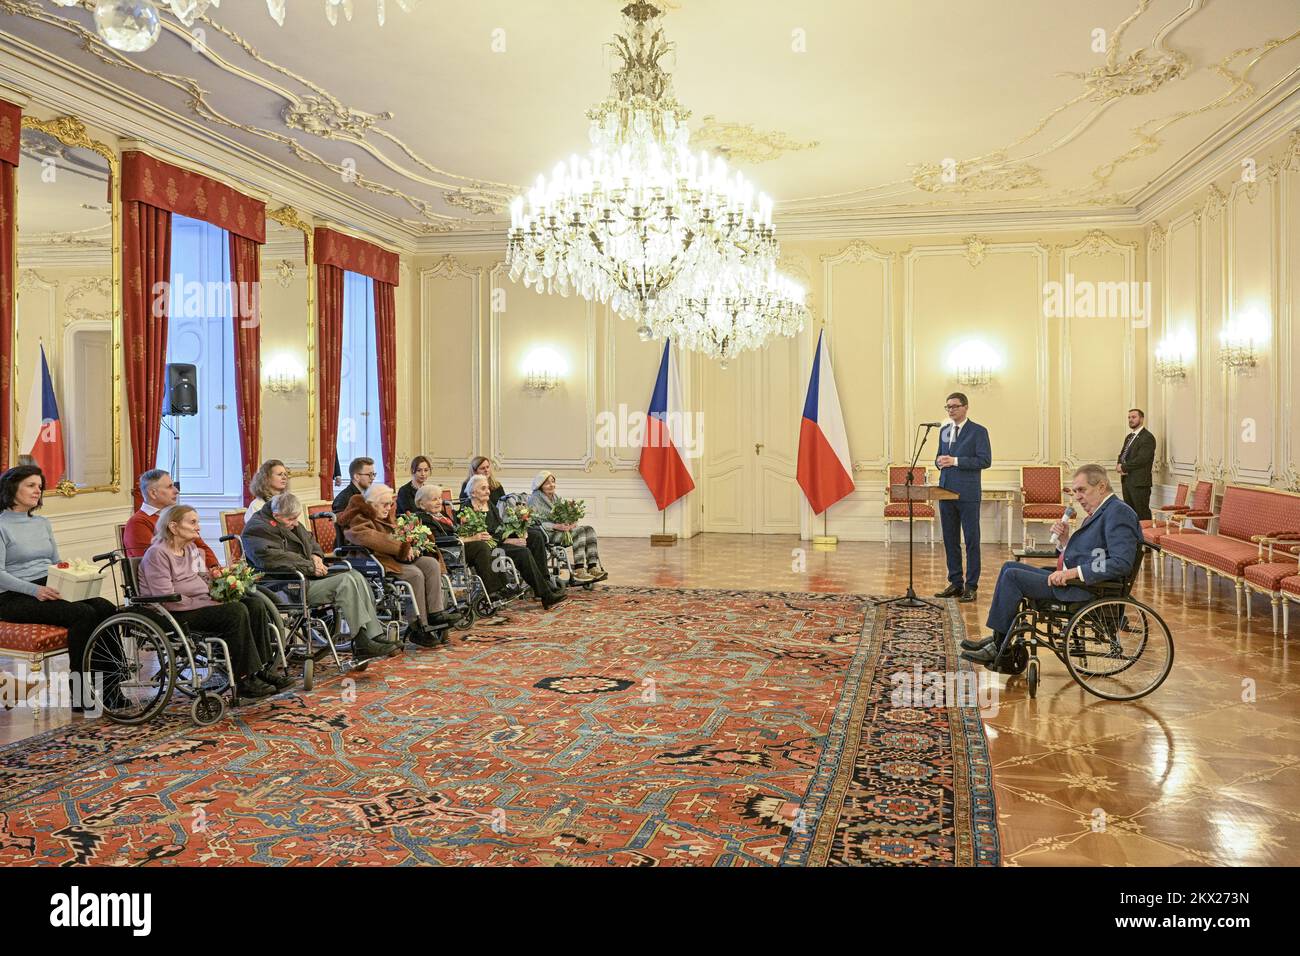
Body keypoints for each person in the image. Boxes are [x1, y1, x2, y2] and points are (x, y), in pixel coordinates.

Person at [961, 464, 1142, 664]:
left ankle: (998, 648)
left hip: (1086, 589)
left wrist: (1073, 573)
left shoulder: (1118, 512)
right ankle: (998, 639)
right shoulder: (1103, 511)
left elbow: (1120, 563)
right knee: (1009, 568)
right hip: (1077, 581)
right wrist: (1065, 541)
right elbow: (1090, 554)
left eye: (1082, 490)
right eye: (1075, 491)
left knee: (1013, 577)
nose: (1078, 496)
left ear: (1101, 486)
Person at [0, 465, 122, 710]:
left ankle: (111, 685)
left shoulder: (42, 523)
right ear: (11, 488)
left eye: (40, 486)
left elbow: (56, 561)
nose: (38, 491)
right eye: (31, 485)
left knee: (107, 608)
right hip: (13, 596)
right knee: (82, 614)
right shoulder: (1, 525)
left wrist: (76, 576)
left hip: (48, 585)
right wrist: (35, 591)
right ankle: (79, 692)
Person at [137, 504, 290, 699]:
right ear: (173, 527)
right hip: (174, 612)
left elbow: (204, 579)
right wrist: (211, 602)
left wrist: (223, 586)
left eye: (197, 522)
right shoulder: (157, 553)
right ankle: (244, 678)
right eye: (192, 522)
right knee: (235, 612)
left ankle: (262, 670)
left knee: (254, 604)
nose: (198, 527)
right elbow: (166, 598)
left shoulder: (191, 549)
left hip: (199, 603)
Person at [241, 491, 397, 659]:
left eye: (296, 518)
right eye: (291, 520)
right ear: (277, 515)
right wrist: (310, 566)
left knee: (355, 575)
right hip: (284, 585)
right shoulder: (256, 529)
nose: (295, 523)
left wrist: (316, 555)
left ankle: (374, 635)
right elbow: (274, 559)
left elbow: (310, 539)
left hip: (304, 577)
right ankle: (361, 641)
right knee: (345, 582)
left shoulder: (287, 520)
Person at [336, 482, 454, 646]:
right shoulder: (359, 516)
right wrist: (401, 547)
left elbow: (398, 532)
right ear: (372, 503)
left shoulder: (385, 513)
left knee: (430, 564)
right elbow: (366, 536)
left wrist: (414, 540)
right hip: (372, 561)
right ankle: (417, 625)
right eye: (384, 505)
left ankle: (436, 613)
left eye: (390, 504)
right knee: (414, 574)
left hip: (393, 558)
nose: (388, 508)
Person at [466, 474, 566, 610]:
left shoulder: (489, 505)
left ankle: (545, 581)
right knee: (522, 552)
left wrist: (519, 532)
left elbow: (500, 527)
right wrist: (510, 540)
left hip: (498, 540)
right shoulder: (467, 509)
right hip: (489, 546)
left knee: (535, 535)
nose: (488, 491)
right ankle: (545, 594)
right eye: (483, 489)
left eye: (488, 488)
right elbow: (481, 535)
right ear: (473, 492)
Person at [933, 392, 991, 603]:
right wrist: (939, 462)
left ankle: (971, 585)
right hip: (945, 491)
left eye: (955, 406)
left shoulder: (978, 431)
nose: (951, 410)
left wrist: (956, 461)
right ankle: (955, 582)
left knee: (971, 540)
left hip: (967, 493)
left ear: (966, 407)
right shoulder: (944, 431)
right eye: (948, 407)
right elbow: (939, 457)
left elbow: (985, 461)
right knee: (950, 539)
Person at [413, 483, 511, 600]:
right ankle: (492, 591)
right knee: (481, 547)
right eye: (434, 499)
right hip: (447, 552)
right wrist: (472, 538)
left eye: (439, 498)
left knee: (490, 547)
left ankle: (504, 587)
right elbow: (438, 540)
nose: (439, 502)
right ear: (421, 504)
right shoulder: (422, 519)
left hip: (457, 547)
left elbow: (455, 531)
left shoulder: (441, 515)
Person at [124, 469, 220, 567]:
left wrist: (215, 569)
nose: (176, 491)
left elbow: (201, 547)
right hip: (169, 578)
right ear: (153, 493)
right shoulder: (137, 523)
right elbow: (154, 562)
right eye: (170, 487)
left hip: (189, 574)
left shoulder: (174, 515)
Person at [528, 471, 607, 583]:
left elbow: (563, 515)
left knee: (589, 529)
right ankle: (579, 570)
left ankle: (592, 567)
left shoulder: (555, 497)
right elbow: (534, 522)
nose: (551, 485)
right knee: (578, 532)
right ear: (540, 486)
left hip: (560, 531)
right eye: (547, 483)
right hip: (548, 533)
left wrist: (570, 522)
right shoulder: (534, 499)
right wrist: (555, 526)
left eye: (553, 482)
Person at [1117, 408, 1156, 522]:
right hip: (1127, 481)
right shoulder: (1129, 437)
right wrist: (1119, 463)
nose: (1130, 420)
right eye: (1129, 417)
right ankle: (1133, 539)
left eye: (1134, 417)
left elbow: (1142, 459)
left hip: (1140, 483)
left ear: (1142, 419)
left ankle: (1144, 539)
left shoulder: (1147, 437)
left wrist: (1123, 467)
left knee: (1141, 513)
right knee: (1130, 514)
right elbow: (1123, 454)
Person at [246, 459, 292, 524]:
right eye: (279, 474)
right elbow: (256, 530)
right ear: (267, 478)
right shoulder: (256, 505)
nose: (284, 477)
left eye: (285, 474)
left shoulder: (287, 501)